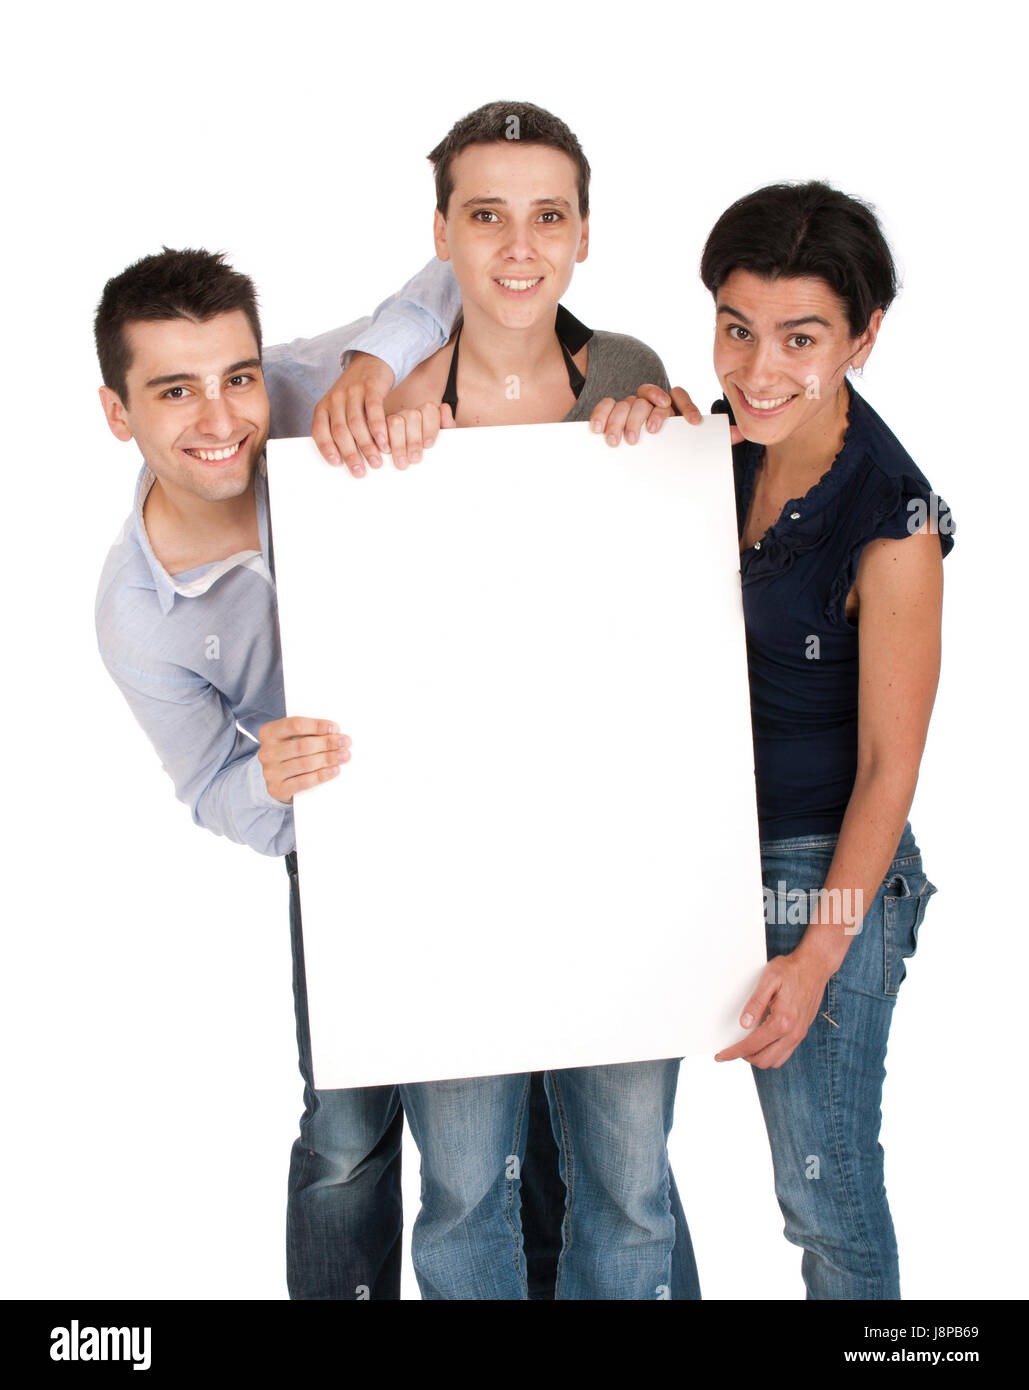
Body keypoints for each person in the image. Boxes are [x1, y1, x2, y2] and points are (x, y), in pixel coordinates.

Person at [355, 99, 696, 1302]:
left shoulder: (631, 376)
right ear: (439, 232)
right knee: (458, 1199)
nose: (518, 246)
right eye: (486, 214)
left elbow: (684, 611)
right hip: (446, 868)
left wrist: (666, 444)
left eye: (548, 215)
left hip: (618, 858)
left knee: (630, 1191)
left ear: (585, 235)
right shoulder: (381, 413)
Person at [592, 181, 954, 1298]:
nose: (757, 368)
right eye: (736, 329)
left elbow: (891, 771)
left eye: (801, 339)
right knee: (620, 1174)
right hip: (690, 846)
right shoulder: (712, 442)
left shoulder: (893, 517)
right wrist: (639, 441)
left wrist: (818, 955)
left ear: (865, 337)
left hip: (821, 869)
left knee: (822, 1197)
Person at [94, 246, 468, 1299]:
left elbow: (444, 287)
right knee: (347, 1130)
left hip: (479, 792)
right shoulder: (133, 613)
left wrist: (365, 370)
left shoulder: (309, 391)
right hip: (337, 847)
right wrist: (273, 784)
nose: (223, 416)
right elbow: (210, 788)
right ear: (119, 414)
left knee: (504, 1111)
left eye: (237, 376)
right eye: (175, 389)